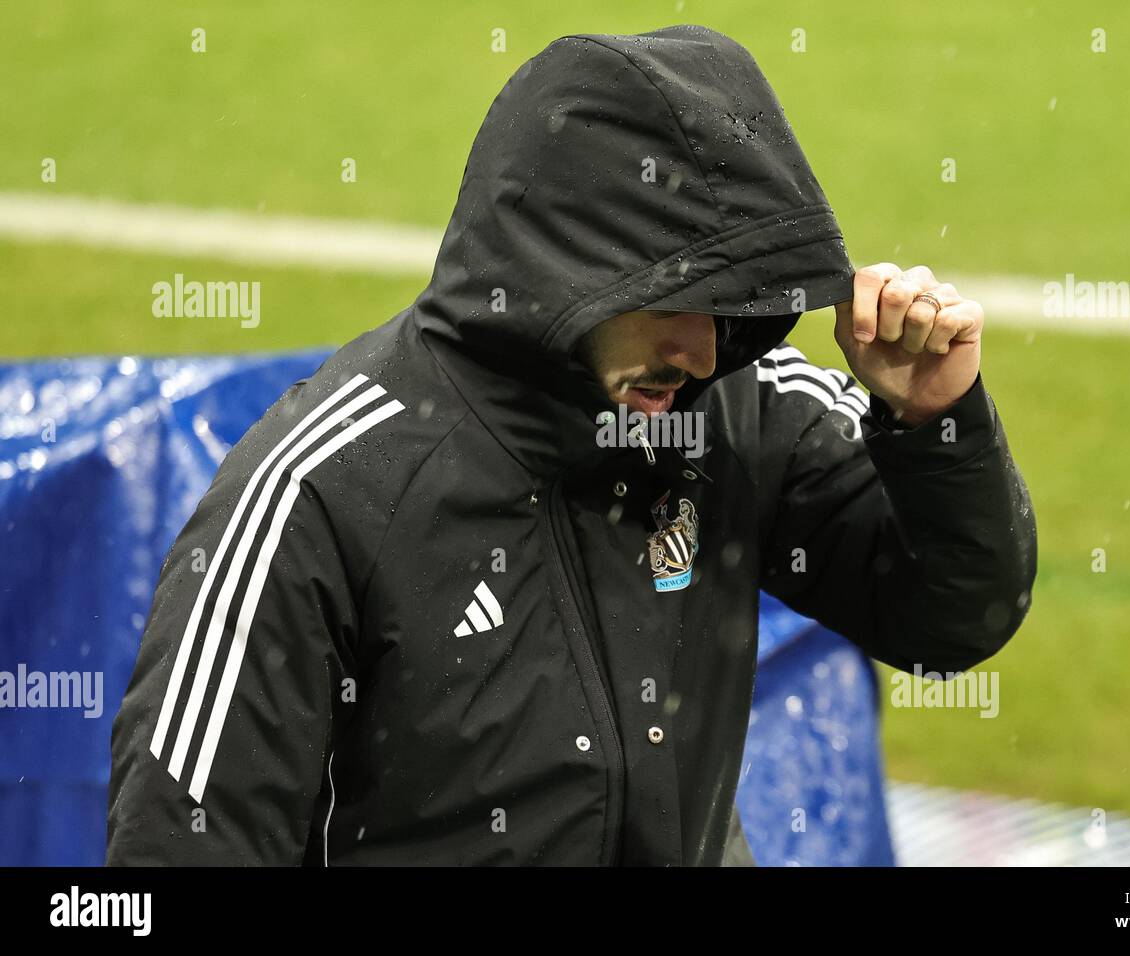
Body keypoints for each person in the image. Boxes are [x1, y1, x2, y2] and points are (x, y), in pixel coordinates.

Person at [106, 24, 1036, 866]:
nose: (705, 347)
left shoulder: (730, 409)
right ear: (568, 271)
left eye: (731, 306)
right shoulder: (317, 495)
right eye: (677, 298)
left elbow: (950, 619)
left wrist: (933, 422)